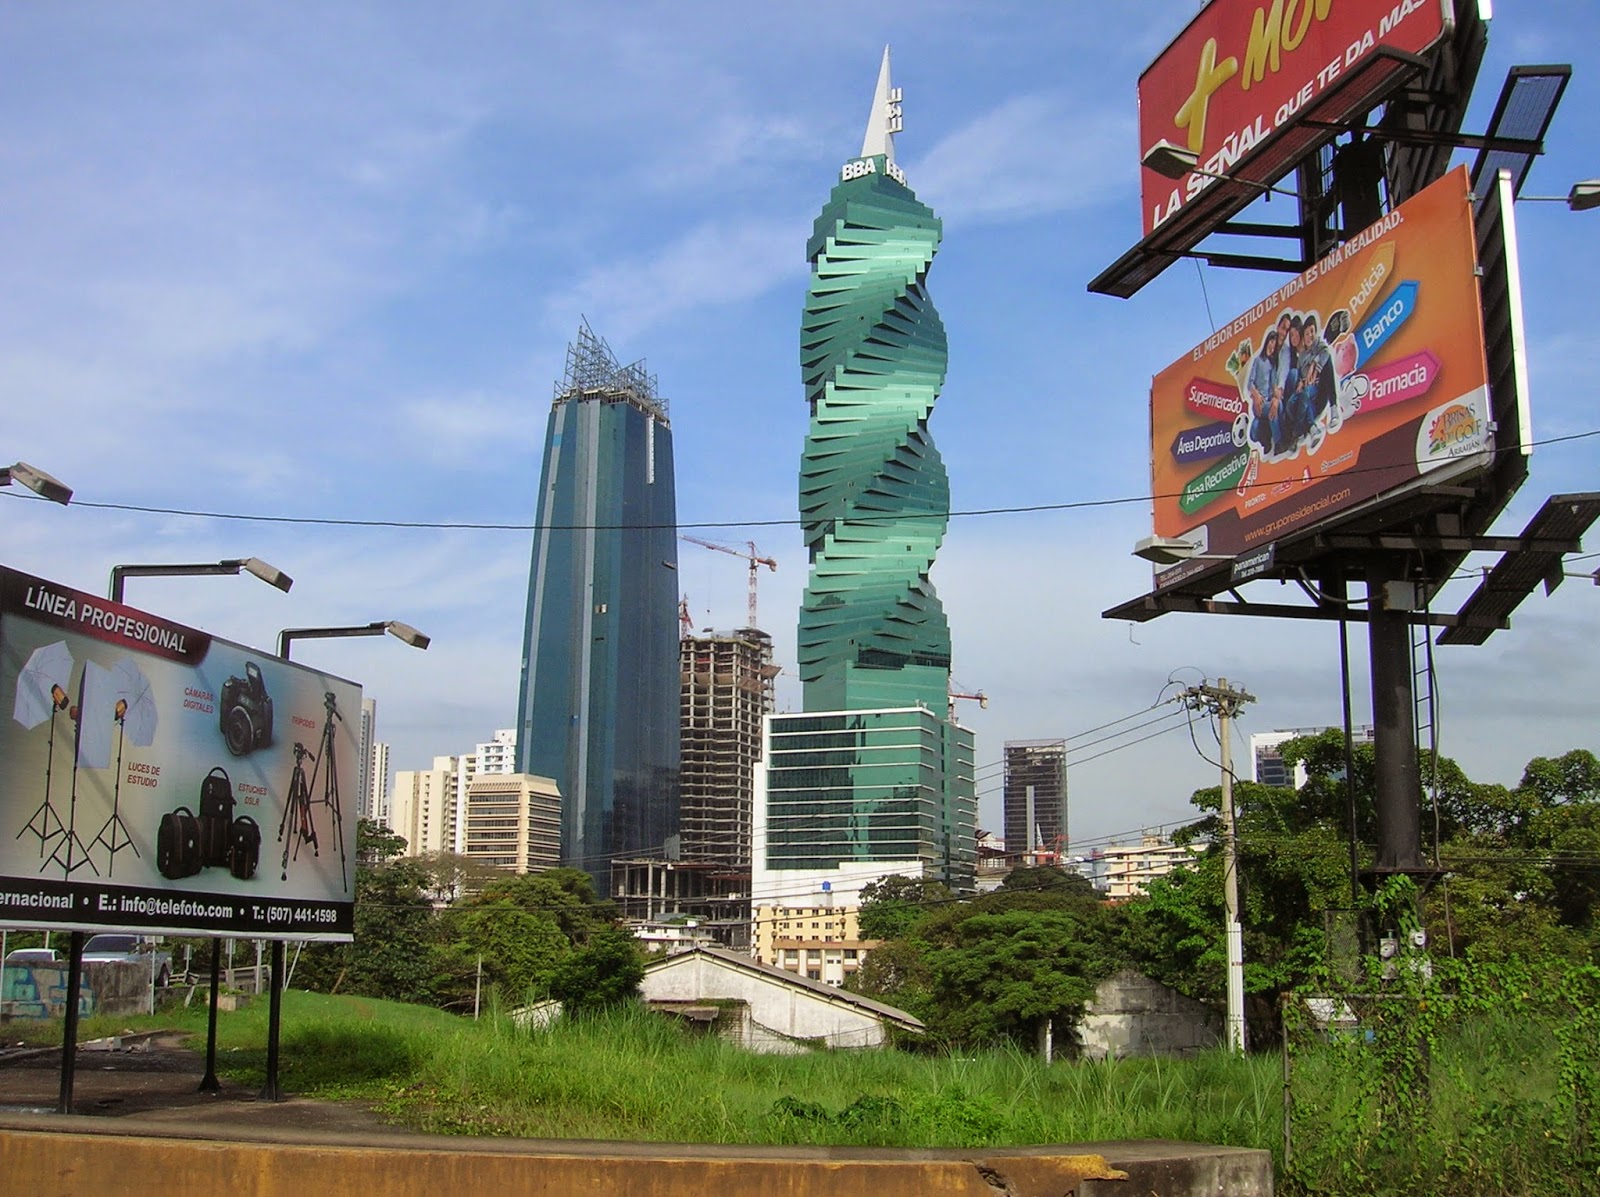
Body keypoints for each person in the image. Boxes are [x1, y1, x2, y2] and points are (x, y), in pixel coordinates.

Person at [1298, 313, 1337, 435]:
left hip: (1322, 391)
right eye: (1307, 334)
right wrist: (1304, 380)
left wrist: (1315, 367)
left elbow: (1325, 352)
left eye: (1312, 332)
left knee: (1327, 360)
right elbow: (1301, 377)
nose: (1310, 336)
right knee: (1305, 392)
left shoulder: (1320, 345)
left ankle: (1334, 408)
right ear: (1303, 337)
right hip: (1311, 399)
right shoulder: (1302, 357)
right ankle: (1312, 428)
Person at [1247, 330, 1280, 455]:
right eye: (1272, 342)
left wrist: (1275, 396)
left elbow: (1273, 385)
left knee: (1274, 407)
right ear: (1267, 341)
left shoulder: (1272, 365)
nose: (1273, 346)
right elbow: (1250, 383)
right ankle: (1277, 442)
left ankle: (1275, 441)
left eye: (1275, 344)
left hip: (1267, 401)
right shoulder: (1258, 361)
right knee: (1270, 408)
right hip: (1258, 402)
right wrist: (1256, 395)